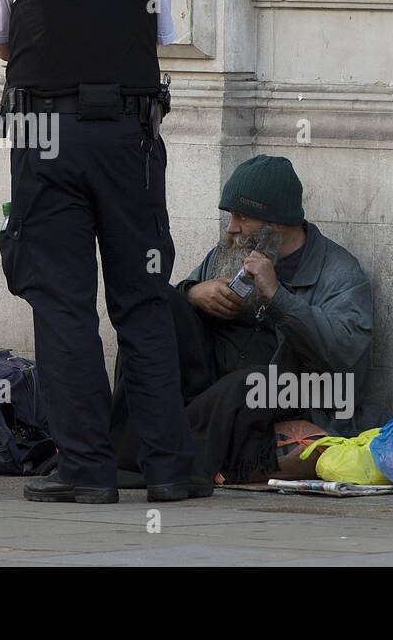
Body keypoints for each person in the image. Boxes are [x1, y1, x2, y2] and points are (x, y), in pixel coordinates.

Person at [0, 0, 207, 503]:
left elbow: (4, 44)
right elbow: (158, 39)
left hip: (46, 140)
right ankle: (168, 469)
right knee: (142, 302)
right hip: (130, 143)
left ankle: (86, 471)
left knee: (64, 304)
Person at [112, 154, 378, 484]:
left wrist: (278, 297)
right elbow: (180, 311)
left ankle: (160, 454)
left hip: (283, 395)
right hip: (210, 392)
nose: (231, 228)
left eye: (242, 217)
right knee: (158, 303)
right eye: (230, 216)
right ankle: (131, 443)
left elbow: (341, 356)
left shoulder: (340, 274)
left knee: (254, 383)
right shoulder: (229, 250)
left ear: (277, 222)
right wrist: (194, 294)